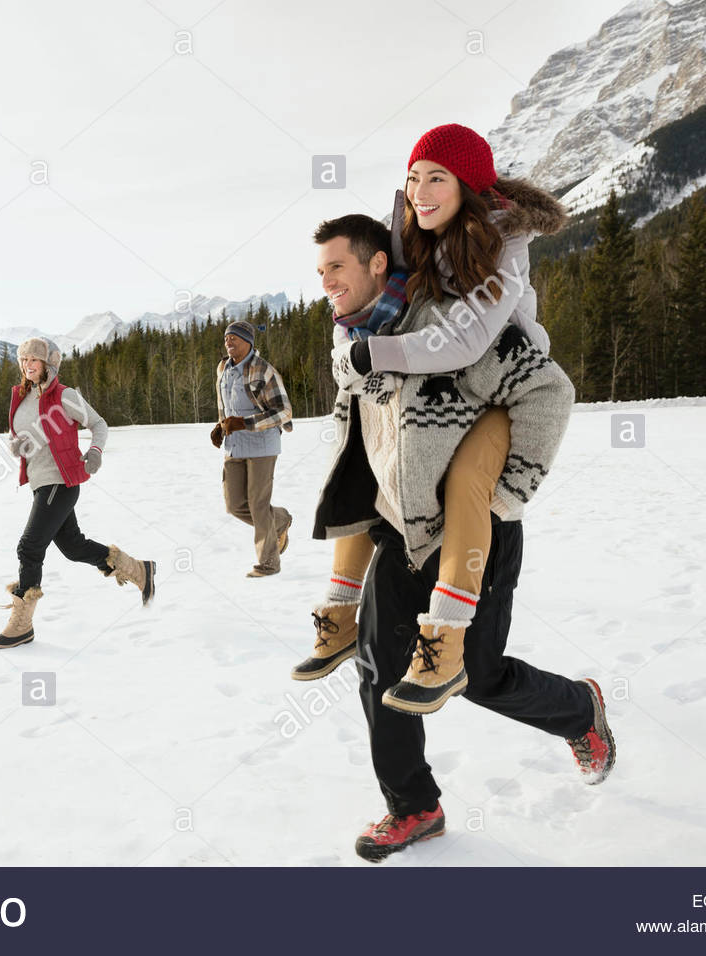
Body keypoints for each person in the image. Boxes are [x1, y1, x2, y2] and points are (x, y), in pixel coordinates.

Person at [335, 123, 570, 715]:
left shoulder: (505, 241)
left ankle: (454, 639)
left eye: (436, 177)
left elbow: (467, 339)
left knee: (470, 488)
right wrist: (352, 344)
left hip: (500, 394)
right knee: (361, 462)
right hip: (436, 402)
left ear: (467, 186)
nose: (420, 190)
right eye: (413, 178)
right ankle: (342, 613)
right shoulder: (412, 237)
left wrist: (379, 353)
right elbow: (376, 310)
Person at [295, 213, 409, 680]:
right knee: (377, 665)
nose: (326, 282)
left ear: (378, 262)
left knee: (479, 672)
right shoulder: (349, 327)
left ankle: (577, 710)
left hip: (427, 502)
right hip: (378, 489)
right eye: (321, 272)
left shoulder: (420, 315)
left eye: (336, 268)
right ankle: (342, 618)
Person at [0, 337, 155, 649]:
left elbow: (99, 423)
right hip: (41, 483)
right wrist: (20, 445)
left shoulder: (65, 396)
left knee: (29, 547)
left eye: (34, 361)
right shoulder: (21, 397)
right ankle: (138, 569)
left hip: (60, 482)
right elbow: (32, 437)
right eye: (24, 360)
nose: (28, 366)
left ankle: (21, 625)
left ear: (48, 364)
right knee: (72, 546)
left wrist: (95, 450)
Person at [211, 319, 294, 578]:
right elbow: (226, 405)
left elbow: (284, 412)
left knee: (258, 505)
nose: (229, 341)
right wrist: (221, 425)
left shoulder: (263, 370)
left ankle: (269, 563)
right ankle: (280, 520)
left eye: (234, 337)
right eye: (226, 338)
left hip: (262, 446)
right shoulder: (223, 368)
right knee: (234, 504)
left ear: (248, 341)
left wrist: (245, 423)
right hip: (234, 446)